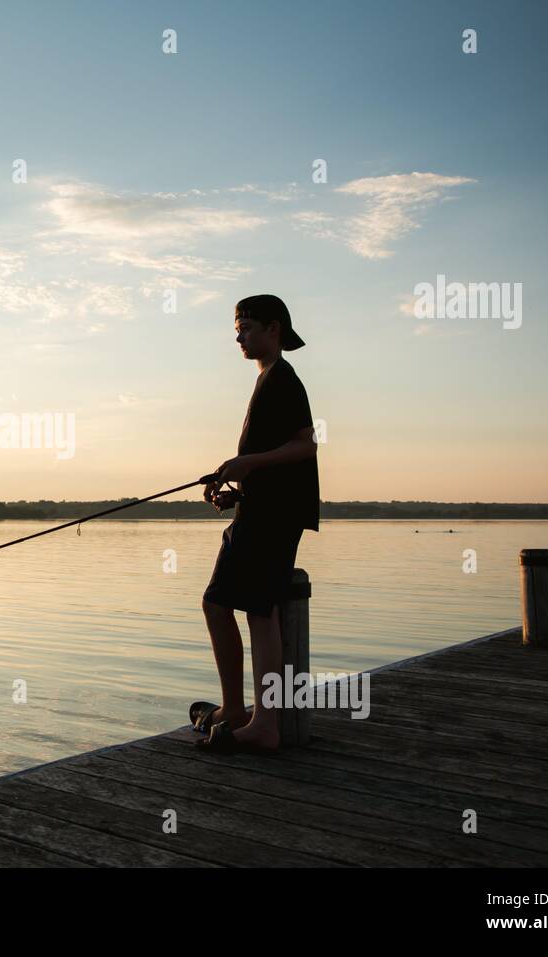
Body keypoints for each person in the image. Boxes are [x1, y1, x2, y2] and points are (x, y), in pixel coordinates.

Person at [192, 294, 319, 753]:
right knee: (238, 607)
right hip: (262, 509)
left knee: (251, 611)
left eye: (246, 327)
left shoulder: (283, 378)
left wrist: (246, 463)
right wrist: (239, 487)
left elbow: (306, 447)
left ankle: (263, 724)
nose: (240, 337)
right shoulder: (267, 379)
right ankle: (237, 711)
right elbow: (274, 461)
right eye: (237, 330)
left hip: (274, 517)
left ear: (274, 329)